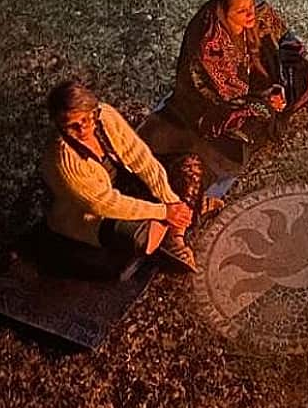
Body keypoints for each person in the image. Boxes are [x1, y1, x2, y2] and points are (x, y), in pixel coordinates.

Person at [41, 80, 205, 272]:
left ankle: (175, 235)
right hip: (95, 216)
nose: (82, 129)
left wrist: (170, 200)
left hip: (127, 184)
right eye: (72, 126)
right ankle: (190, 213)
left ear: (93, 112)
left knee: (190, 167)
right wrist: (164, 211)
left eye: (85, 120)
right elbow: (102, 204)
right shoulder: (63, 158)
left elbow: (141, 158)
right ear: (60, 125)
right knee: (140, 237)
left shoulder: (106, 116)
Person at [169, 0, 308, 147]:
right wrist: (265, 98)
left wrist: (281, 85)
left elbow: (287, 41)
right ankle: (281, 110)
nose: (251, 13)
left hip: (261, 78)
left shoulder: (258, 10)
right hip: (220, 101)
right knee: (252, 119)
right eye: (241, 11)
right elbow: (224, 94)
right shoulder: (209, 44)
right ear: (224, 12)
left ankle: (282, 107)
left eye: (250, 4)